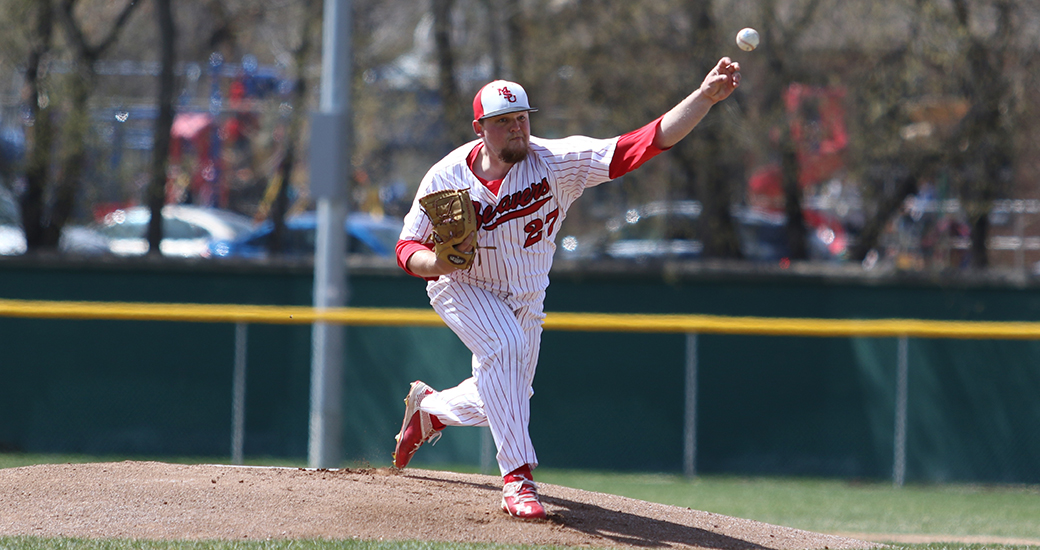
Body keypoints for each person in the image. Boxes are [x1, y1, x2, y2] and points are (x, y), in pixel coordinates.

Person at [392, 58, 741, 519]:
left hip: (526, 295)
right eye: (504, 122)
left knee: (505, 392)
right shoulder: (446, 176)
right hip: (463, 287)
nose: (518, 129)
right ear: (480, 128)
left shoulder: (556, 162)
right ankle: (517, 480)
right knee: (505, 349)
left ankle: (431, 409)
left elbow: (641, 144)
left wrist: (703, 99)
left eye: (522, 118)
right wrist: (435, 261)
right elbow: (405, 246)